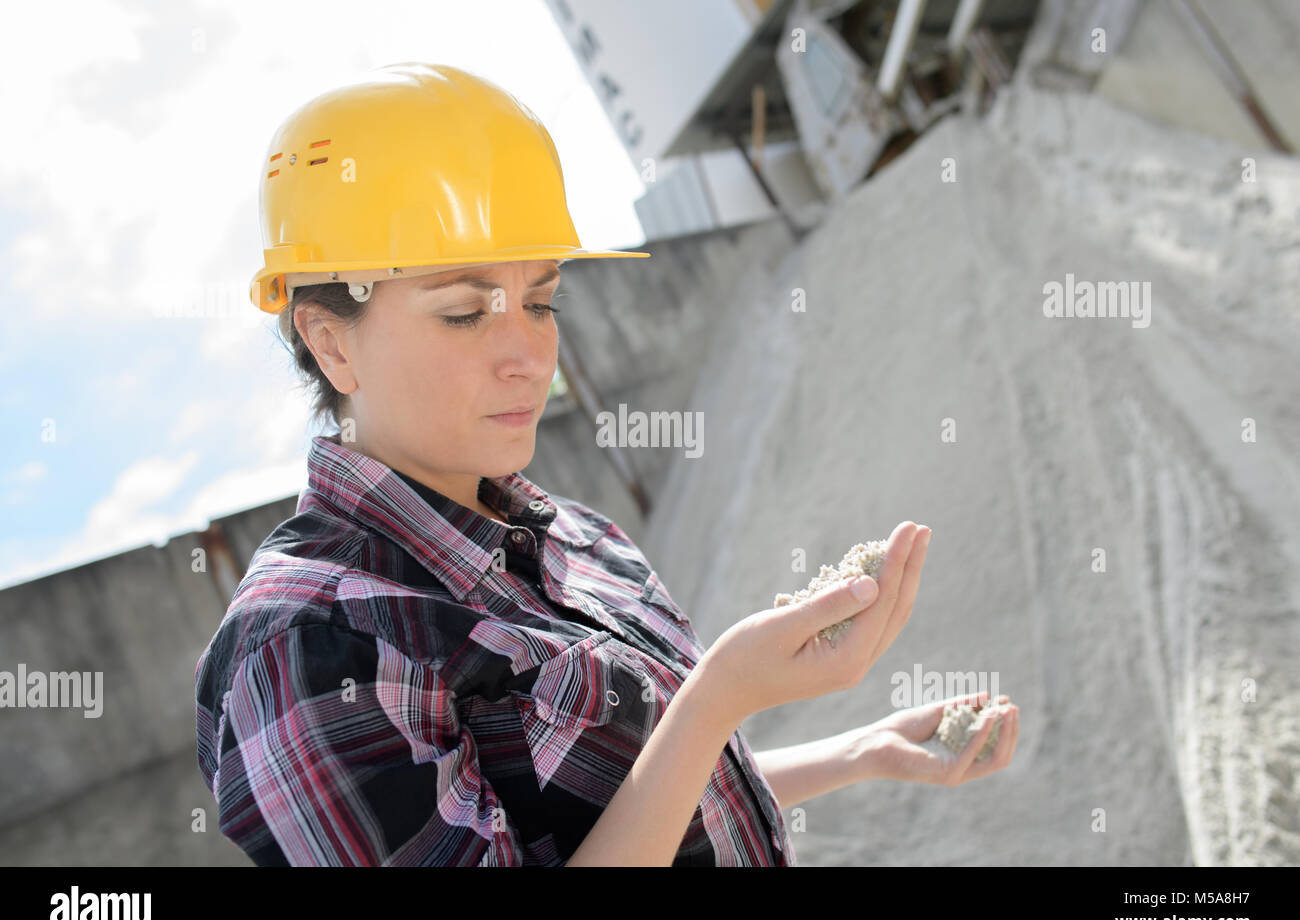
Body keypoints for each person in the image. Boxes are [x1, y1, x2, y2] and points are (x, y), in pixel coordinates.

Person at [194, 62, 1017, 867]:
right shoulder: (305, 645)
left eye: (543, 301)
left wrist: (862, 752)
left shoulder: (576, 540)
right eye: (461, 314)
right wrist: (720, 694)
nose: (529, 354)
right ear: (331, 341)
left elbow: (629, 813)